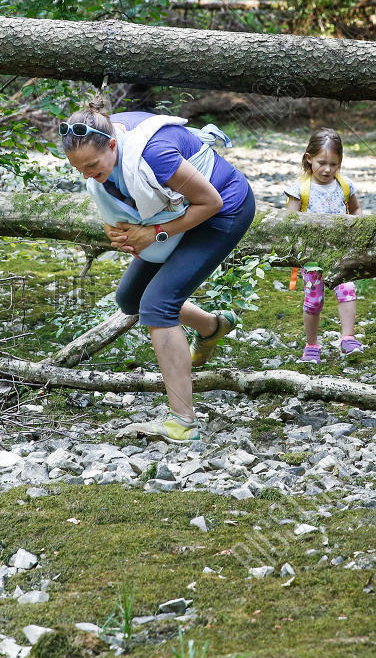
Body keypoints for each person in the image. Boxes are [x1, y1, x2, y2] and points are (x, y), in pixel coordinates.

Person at [61, 95, 255, 443]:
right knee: (131, 298)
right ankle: (212, 326)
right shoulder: (96, 135)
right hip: (176, 212)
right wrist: (117, 230)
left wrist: (153, 233)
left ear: (113, 144)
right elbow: (123, 194)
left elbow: (212, 202)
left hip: (223, 210)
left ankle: (183, 423)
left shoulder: (153, 154)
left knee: (158, 306)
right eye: (80, 170)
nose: (88, 175)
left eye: (92, 165)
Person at [284, 127, 363, 362]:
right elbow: (288, 221)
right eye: (322, 162)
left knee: (347, 290)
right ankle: (311, 345)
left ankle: (347, 338)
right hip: (312, 256)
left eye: (334, 164)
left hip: (341, 252)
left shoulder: (345, 185)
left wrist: (357, 225)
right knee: (313, 299)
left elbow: (356, 208)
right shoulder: (299, 189)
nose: (328, 169)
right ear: (309, 159)